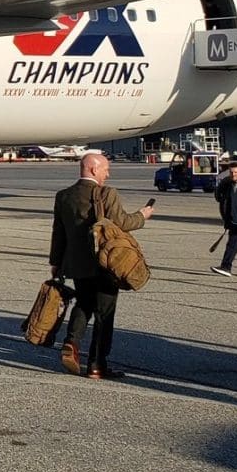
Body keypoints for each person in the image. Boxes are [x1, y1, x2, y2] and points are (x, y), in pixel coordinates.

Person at [48, 152, 155, 380]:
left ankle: (71, 343)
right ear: (94, 170)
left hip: (76, 263)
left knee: (84, 302)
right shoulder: (107, 193)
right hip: (105, 263)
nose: (108, 173)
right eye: (106, 169)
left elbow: (59, 233)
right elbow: (123, 222)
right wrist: (143, 215)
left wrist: (55, 262)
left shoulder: (64, 196)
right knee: (105, 313)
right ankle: (97, 365)